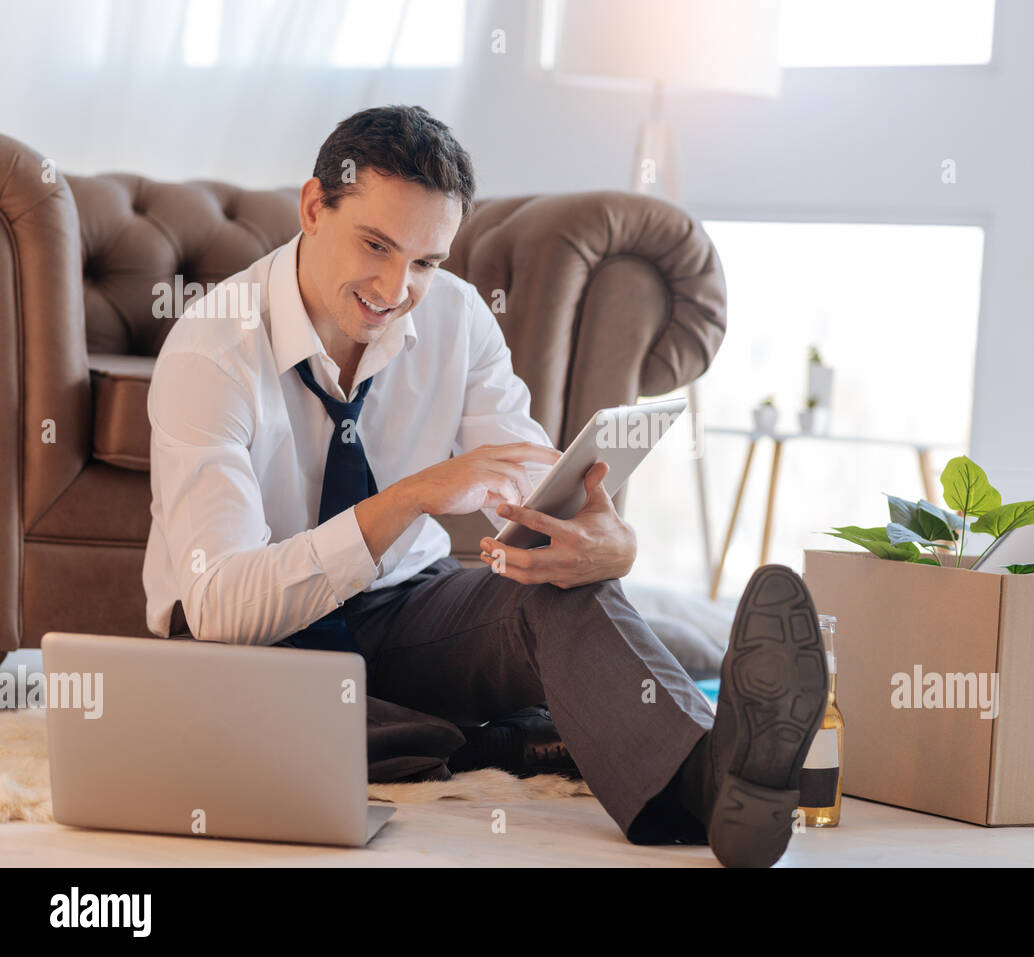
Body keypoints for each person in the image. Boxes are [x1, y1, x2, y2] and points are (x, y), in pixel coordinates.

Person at [143, 104, 827, 867]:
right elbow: (219, 607)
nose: (397, 287)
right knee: (297, 732)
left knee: (551, 588)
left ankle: (710, 780)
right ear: (313, 207)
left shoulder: (458, 318)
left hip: (401, 603)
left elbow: (528, 472)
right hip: (250, 640)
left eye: (427, 262)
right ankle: (481, 734)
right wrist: (409, 496)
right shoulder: (211, 352)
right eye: (375, 244)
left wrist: (603, 539)